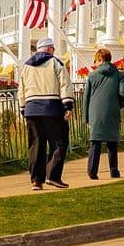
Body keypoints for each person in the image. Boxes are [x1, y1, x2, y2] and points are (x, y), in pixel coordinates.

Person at [18, 37, 74, 190]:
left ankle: (36, 180)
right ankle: (53, 176)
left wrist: (23, 108)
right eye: (53, 48)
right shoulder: (56, 63)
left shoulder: (27, 66)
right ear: (49, 49)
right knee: (59, 142)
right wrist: (67, 105)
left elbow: (21, 90)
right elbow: (65, 84)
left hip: (31, 109)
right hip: (52, 108)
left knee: (36, 145)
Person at [82, 47, 124, 180]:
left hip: (95, 111)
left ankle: (92, 171)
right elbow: (123, 93)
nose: (95, 63)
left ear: (100, 59)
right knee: (112, 142)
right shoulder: (119, 74)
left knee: (95, 142)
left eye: (96, 60)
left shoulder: (92, 75)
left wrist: (86, 117)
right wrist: (118, 102)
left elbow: (86, 98)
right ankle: (114, 170)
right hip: (112, 109)